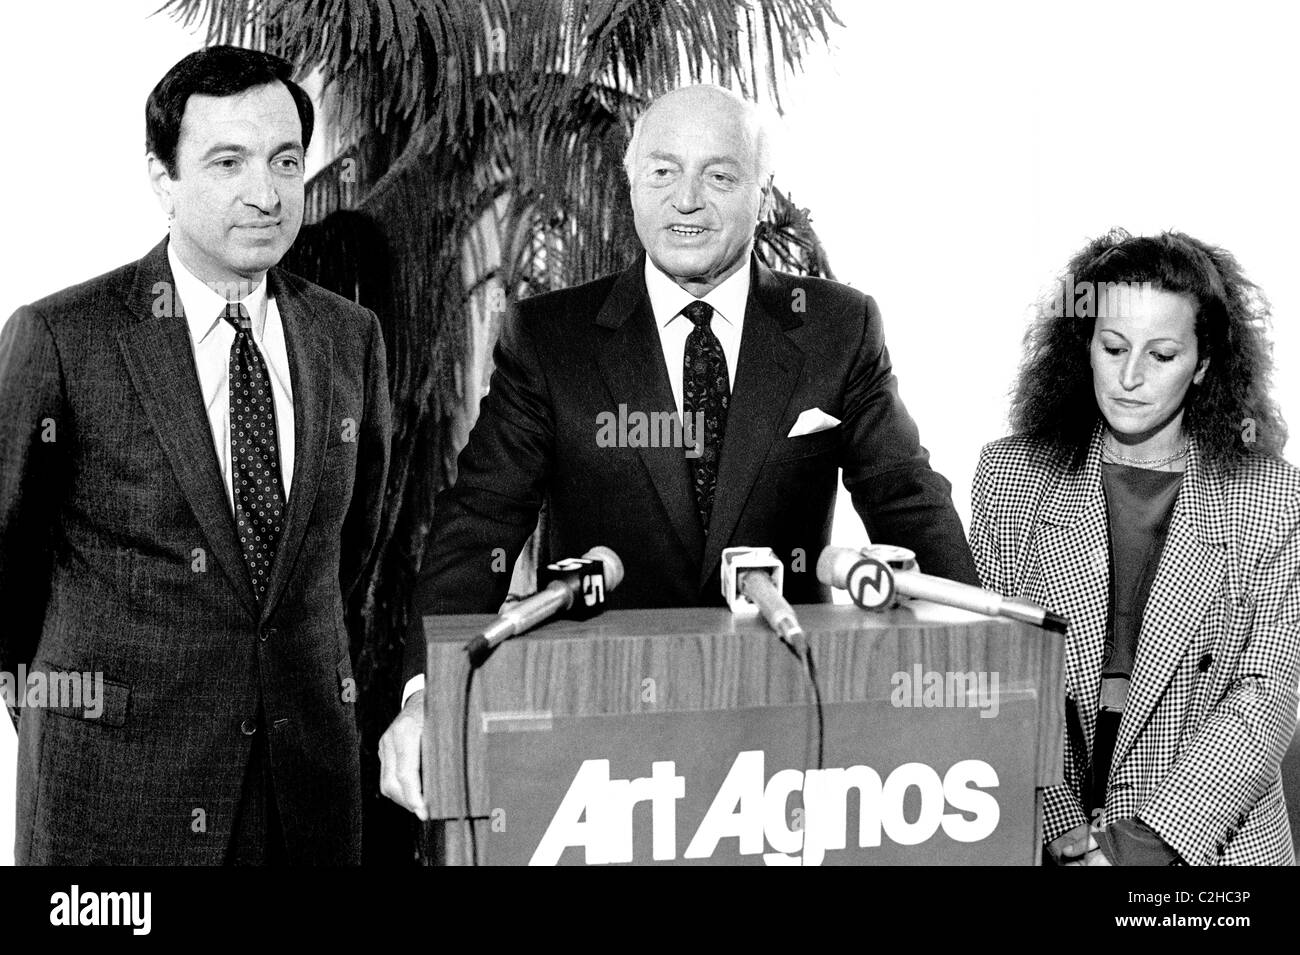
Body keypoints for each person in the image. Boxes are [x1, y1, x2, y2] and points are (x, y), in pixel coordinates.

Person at [380, 84, 978, 818]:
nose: (686, 200)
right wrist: (426, 694)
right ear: (632, 184)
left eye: (718, 176)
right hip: (600, 744)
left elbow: (909, 501)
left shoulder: (836, 326)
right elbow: (479, 523)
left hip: (786, 740)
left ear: (760, 194)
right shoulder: (549, 338)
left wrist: (975, 669)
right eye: (663, 172)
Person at [0, 46, 391, 864]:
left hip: (306, 804)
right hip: (115, 808)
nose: (265, 191)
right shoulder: (64, 339)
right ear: (161, 177)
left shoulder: (348, 338)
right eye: (227, 162)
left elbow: (344, 558)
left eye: (286, 161)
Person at [970, 229, 1298, 865]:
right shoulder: (1009, 476)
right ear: (1083, 345)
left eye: (1162, 355)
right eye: (1113, 346)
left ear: (1204, 364)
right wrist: (1066, 831)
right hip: (1044, 837)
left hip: (1211, 850)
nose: (1128, 377)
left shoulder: (1275, 497)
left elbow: (1265, 697)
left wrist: (1132, 850)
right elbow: (998, 678)